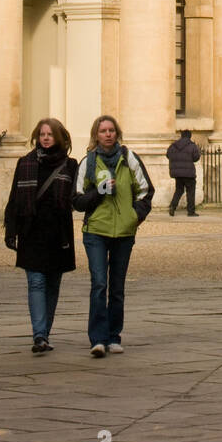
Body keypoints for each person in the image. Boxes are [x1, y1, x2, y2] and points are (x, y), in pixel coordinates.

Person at [73, 115, 154, 358]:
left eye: (111, 130)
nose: (107, 134)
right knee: (99, 284)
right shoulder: (88, 162)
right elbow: (76, 200)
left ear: (116, 133)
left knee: (117, 286)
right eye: (103, 131)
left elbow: (146, 191)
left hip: (124, 232)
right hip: (96, 231)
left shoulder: (129, 159)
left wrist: (134, 216)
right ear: (96, 135)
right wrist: (98, 193)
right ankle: (97, 338)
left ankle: (114, 335)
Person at [3, 118, 78, 354]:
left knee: (53, 285)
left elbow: (75, 199)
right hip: (31, 230)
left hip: (58, 232)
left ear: (59, 137)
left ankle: (44, 333)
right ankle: (38, 335)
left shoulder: (70, 164)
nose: (45, 138)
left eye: (50, 134)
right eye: (42, 134)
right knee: (36, 282)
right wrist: (11, 229)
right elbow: (15, 198)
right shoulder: (25, 162)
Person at [166, 128, 201, 217]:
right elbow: (196, 158)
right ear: (190, 136)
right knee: (190, 191)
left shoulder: (173, 145)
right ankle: (191, 211)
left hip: (177, 173)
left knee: (179, 190)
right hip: (189, 173)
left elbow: (168, 155)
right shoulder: (192, 145)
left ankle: (172, 207)